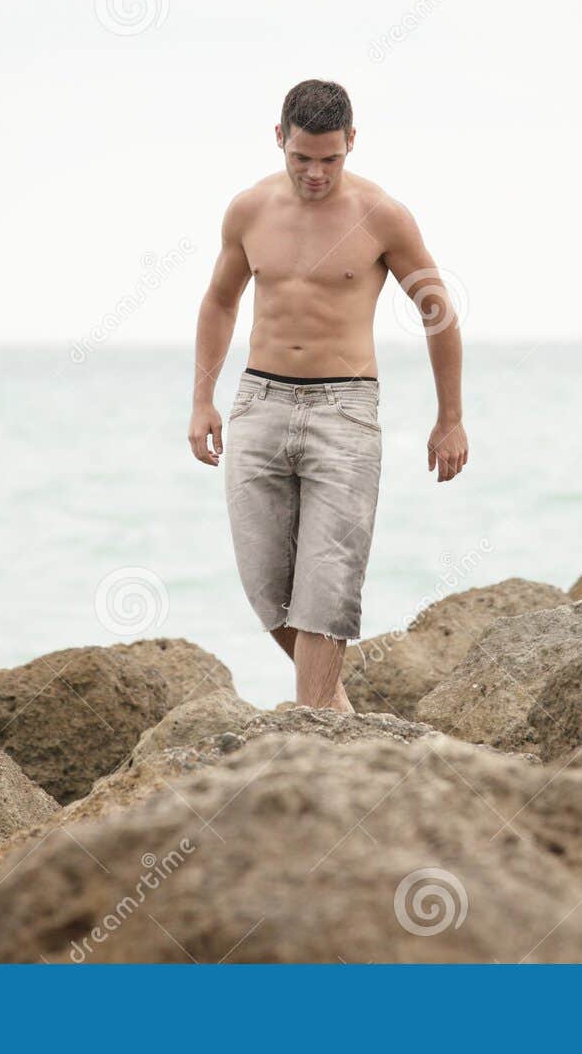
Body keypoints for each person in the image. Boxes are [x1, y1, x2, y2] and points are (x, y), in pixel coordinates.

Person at [188, 79, 467, 711]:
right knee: (266, 588)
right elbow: (220, 301)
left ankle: (317, 732)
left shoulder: (382, 215)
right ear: (279, 138)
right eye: (303, 158)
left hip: (344, 408)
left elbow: (437, 312)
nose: (316, 173)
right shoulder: (247, 210)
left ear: (352, 144)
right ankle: (339, 719)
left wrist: (450, 418)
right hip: (257, 403)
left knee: (327, 586)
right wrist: (202, 399)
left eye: (331, 160)